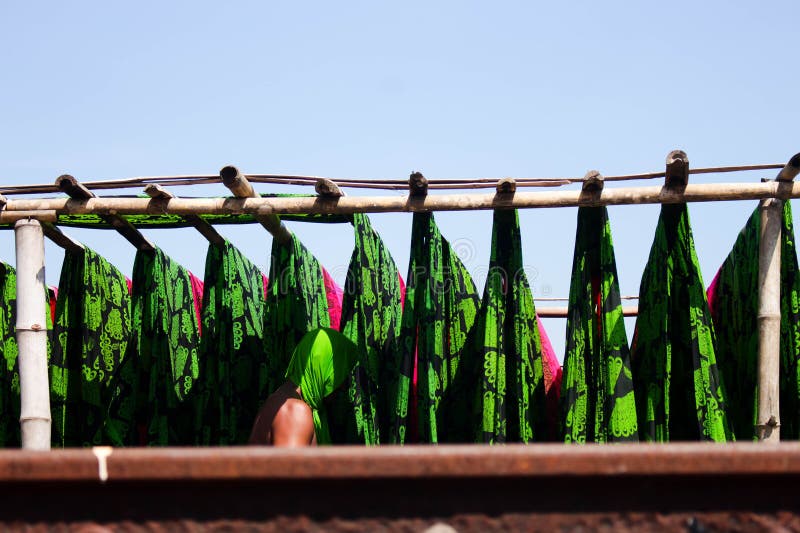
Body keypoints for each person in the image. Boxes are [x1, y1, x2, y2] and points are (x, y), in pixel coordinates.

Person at [248, 327, 359, 446]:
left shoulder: (282, 401)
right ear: (324, 370)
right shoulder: (295, 412)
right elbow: (291, 465)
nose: (344, 387)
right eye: (341, 376)